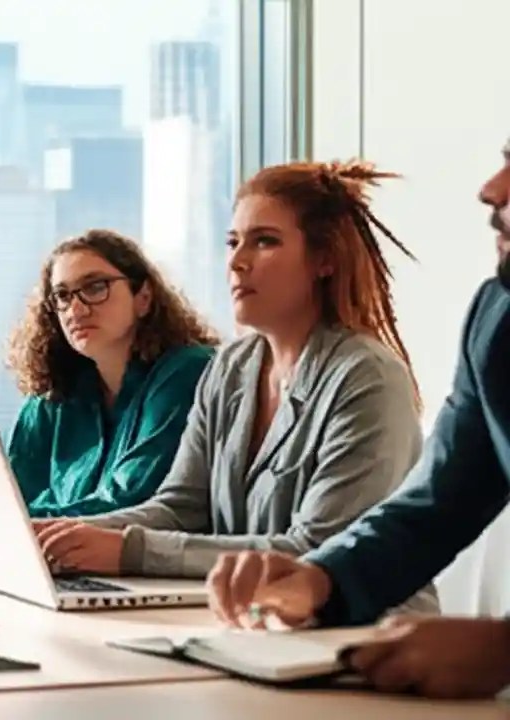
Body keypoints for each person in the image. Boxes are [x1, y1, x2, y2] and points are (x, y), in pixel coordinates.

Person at [34, 161, 431, 605]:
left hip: (370, 637)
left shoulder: (367, 380)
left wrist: (129, 549)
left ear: (324, 260)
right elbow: (181, 505)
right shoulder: (230, 367)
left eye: (265, 242)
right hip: (252, 622)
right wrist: (57, 535)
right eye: (233, 242)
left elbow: (315, 552)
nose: (238, 262)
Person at [207, 142, 510, 699]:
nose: (492, 189)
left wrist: (502, 648)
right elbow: (438, 500)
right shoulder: (497, 318)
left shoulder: (364, 372)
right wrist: (319, 581)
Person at [0, 230, 218, 547]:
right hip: (48, 565)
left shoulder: (187, 372)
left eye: (96, 287)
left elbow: (130, 504)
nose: (77, 308)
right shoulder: (56, 392)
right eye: (62, 296)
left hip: (145, 576)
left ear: (143, 297)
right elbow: (11, 494)